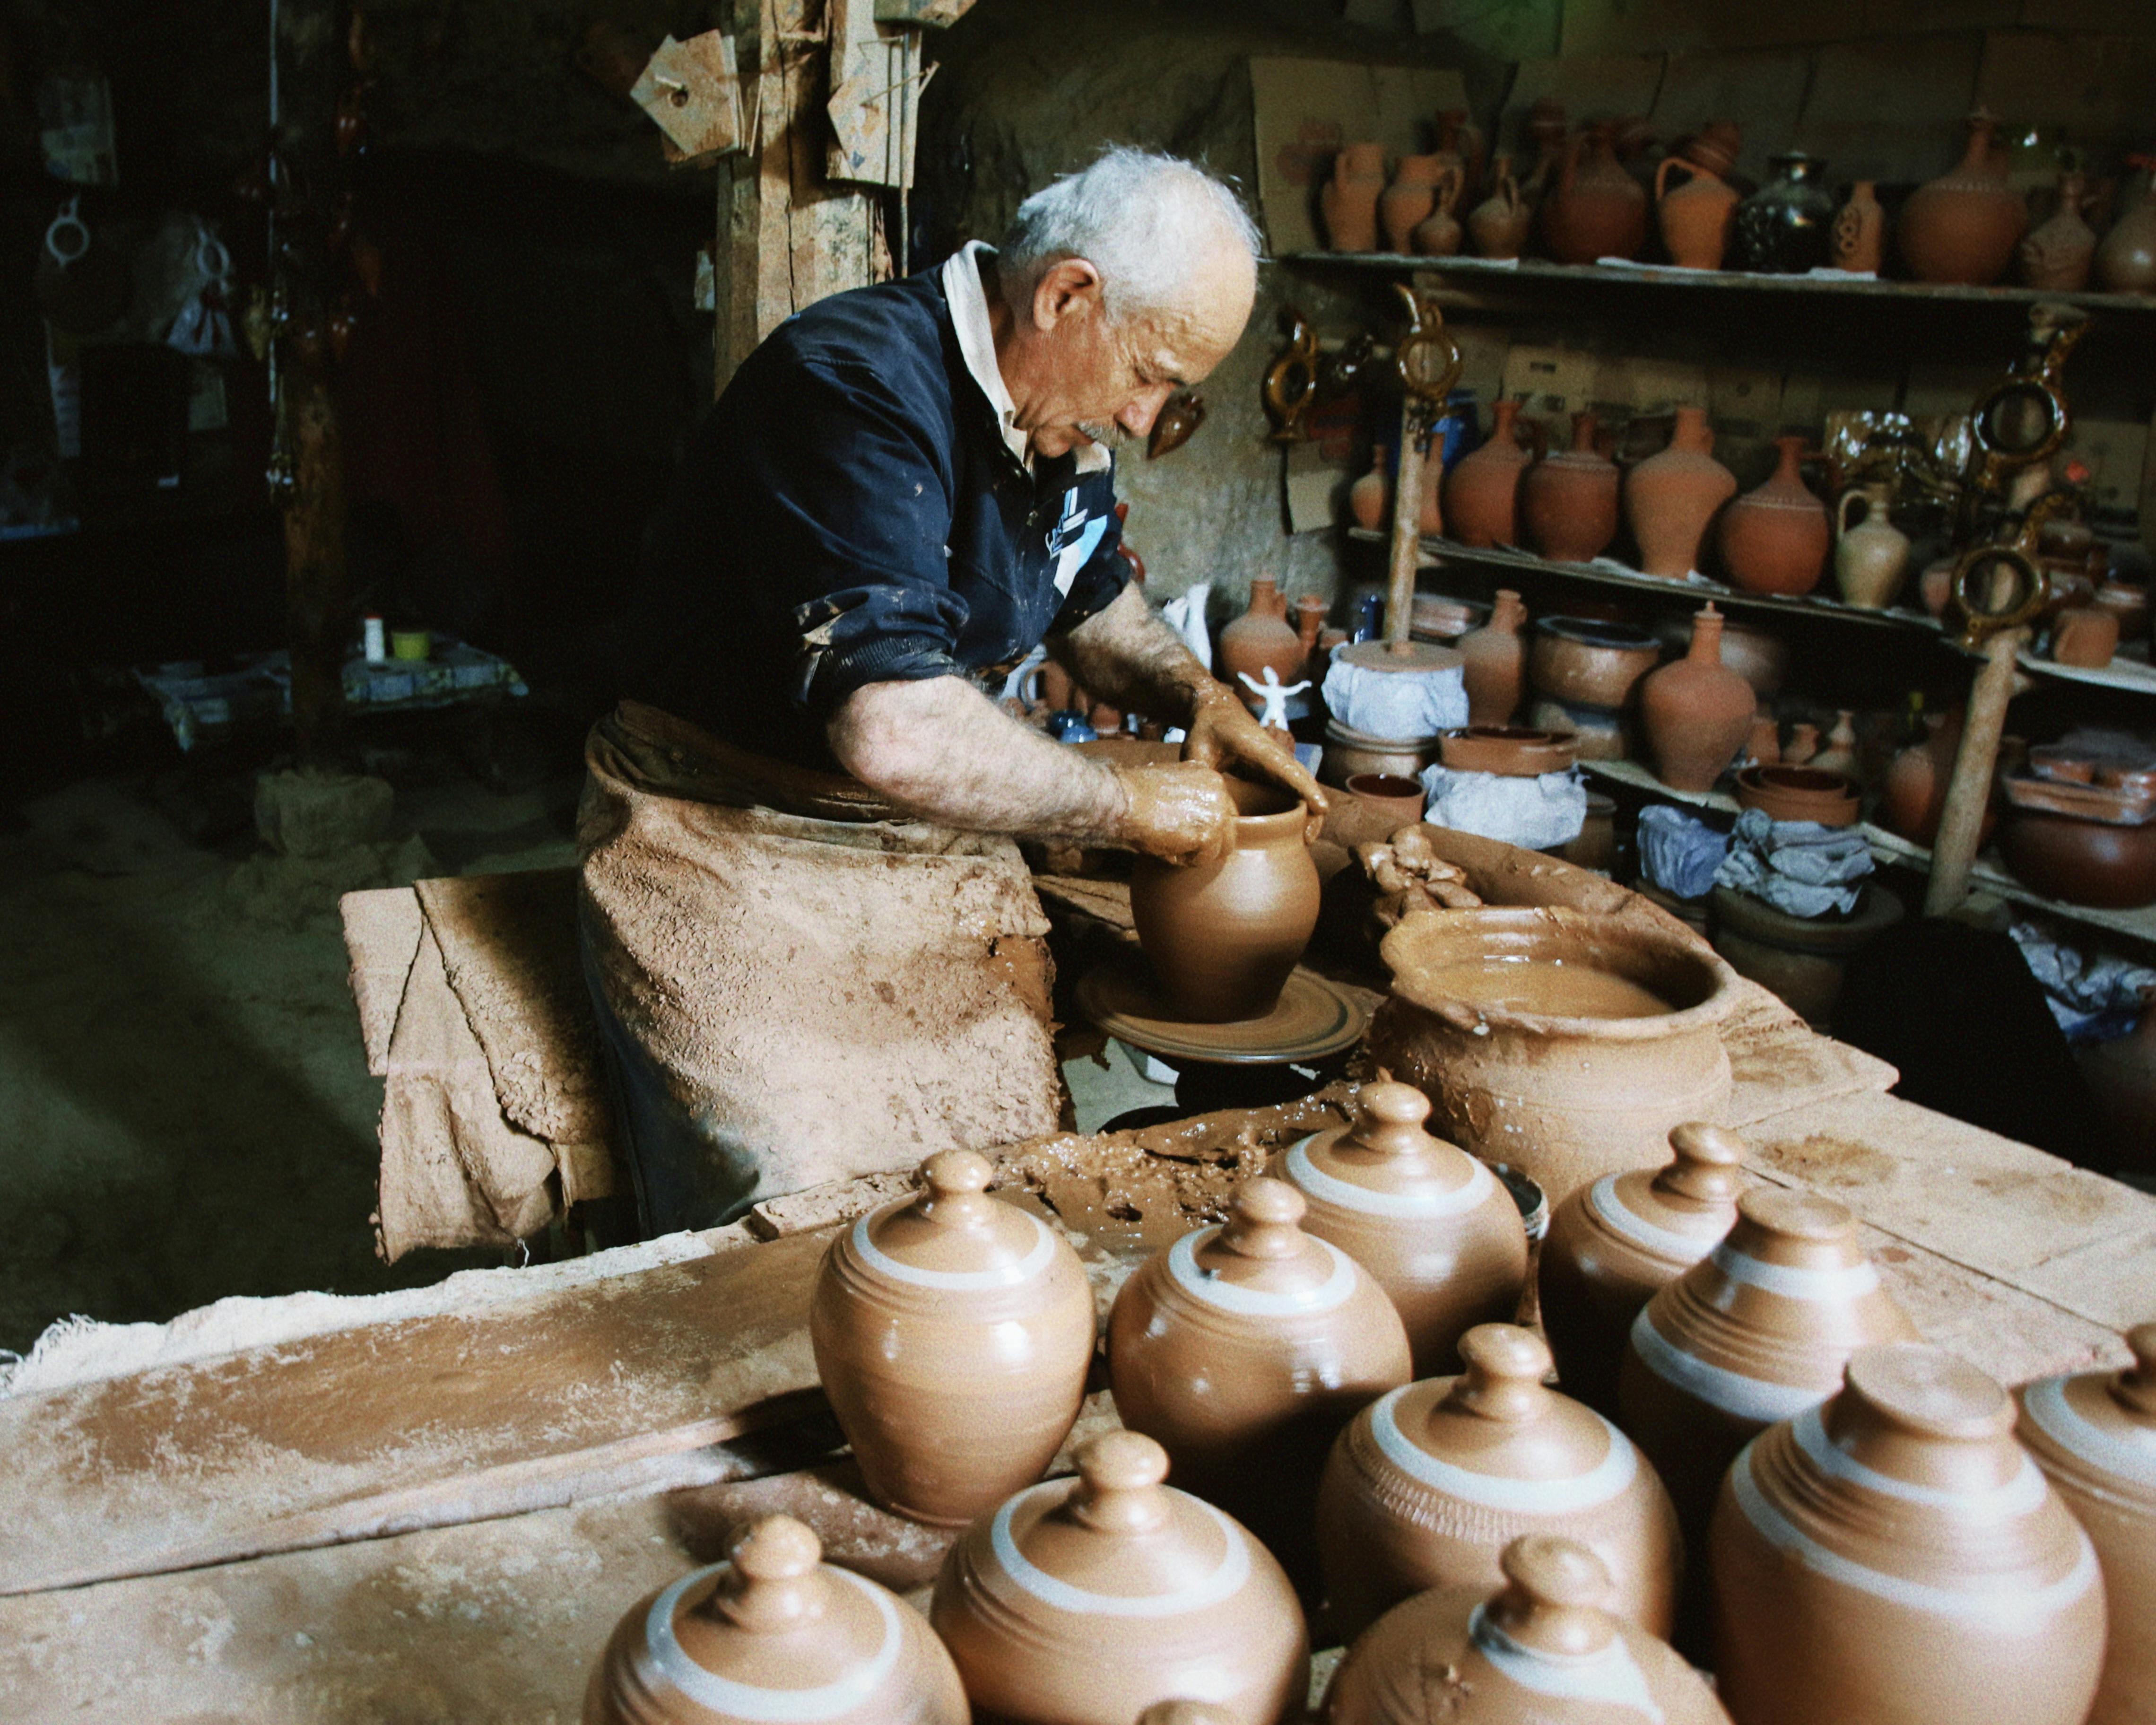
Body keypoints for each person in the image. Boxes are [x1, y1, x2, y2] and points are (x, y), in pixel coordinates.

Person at [580, 147, 1326, 1236]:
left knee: (1004, 1182)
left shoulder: (1058, 412)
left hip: (913, 832)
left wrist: (1200, 699)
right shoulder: (853, 388)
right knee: (792, 1213)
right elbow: (893, 730)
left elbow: (1092, 602)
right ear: (1066, 295)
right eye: (1150, 373)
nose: (1143, 415)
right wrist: (1127, 807)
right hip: (719, 829)